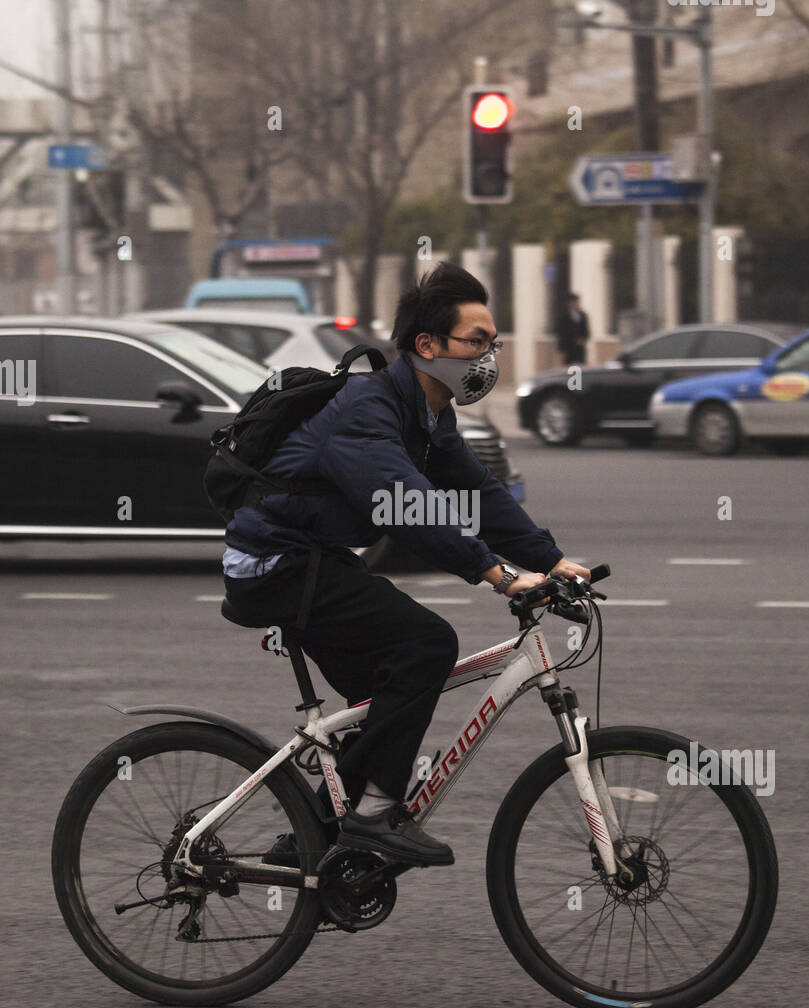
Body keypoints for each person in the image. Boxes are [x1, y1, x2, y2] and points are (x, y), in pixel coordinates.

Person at [221, 262, 589, 867]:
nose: (489, 356)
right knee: (425, 644)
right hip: (273, 564)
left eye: (494, 343)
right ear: (428, 345)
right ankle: (371, 817)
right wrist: (497, 574)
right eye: (476, 342)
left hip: (310, 557)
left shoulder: (428, 411)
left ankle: (316, 835)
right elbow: (409, 508)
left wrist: (551, 559)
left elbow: (478, 493)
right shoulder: (367, 410)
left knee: (386, 697)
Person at [555, 292, 590, 365]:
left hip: (580, 350)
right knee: (570, 370)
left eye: (577, 302)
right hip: (569, 350)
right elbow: (561, 333)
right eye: (574, 302)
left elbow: (586, 331)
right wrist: (562, 350)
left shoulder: (583, 316)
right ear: (570, 303)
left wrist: (582, 339)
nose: (576, 304)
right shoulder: (564, 317)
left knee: (580, 370)